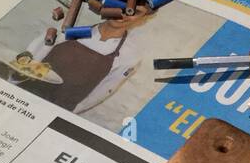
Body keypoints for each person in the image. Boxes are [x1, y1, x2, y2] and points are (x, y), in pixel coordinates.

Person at [15, 8, 156, 114]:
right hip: (22, 98)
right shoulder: (71, 27)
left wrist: (68, 112)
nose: (124, 14)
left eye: (135, 11)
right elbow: (28, 61)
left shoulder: (129, 56)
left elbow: (102, 92)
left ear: (145, 17)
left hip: (55, 111)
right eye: (122, 4)